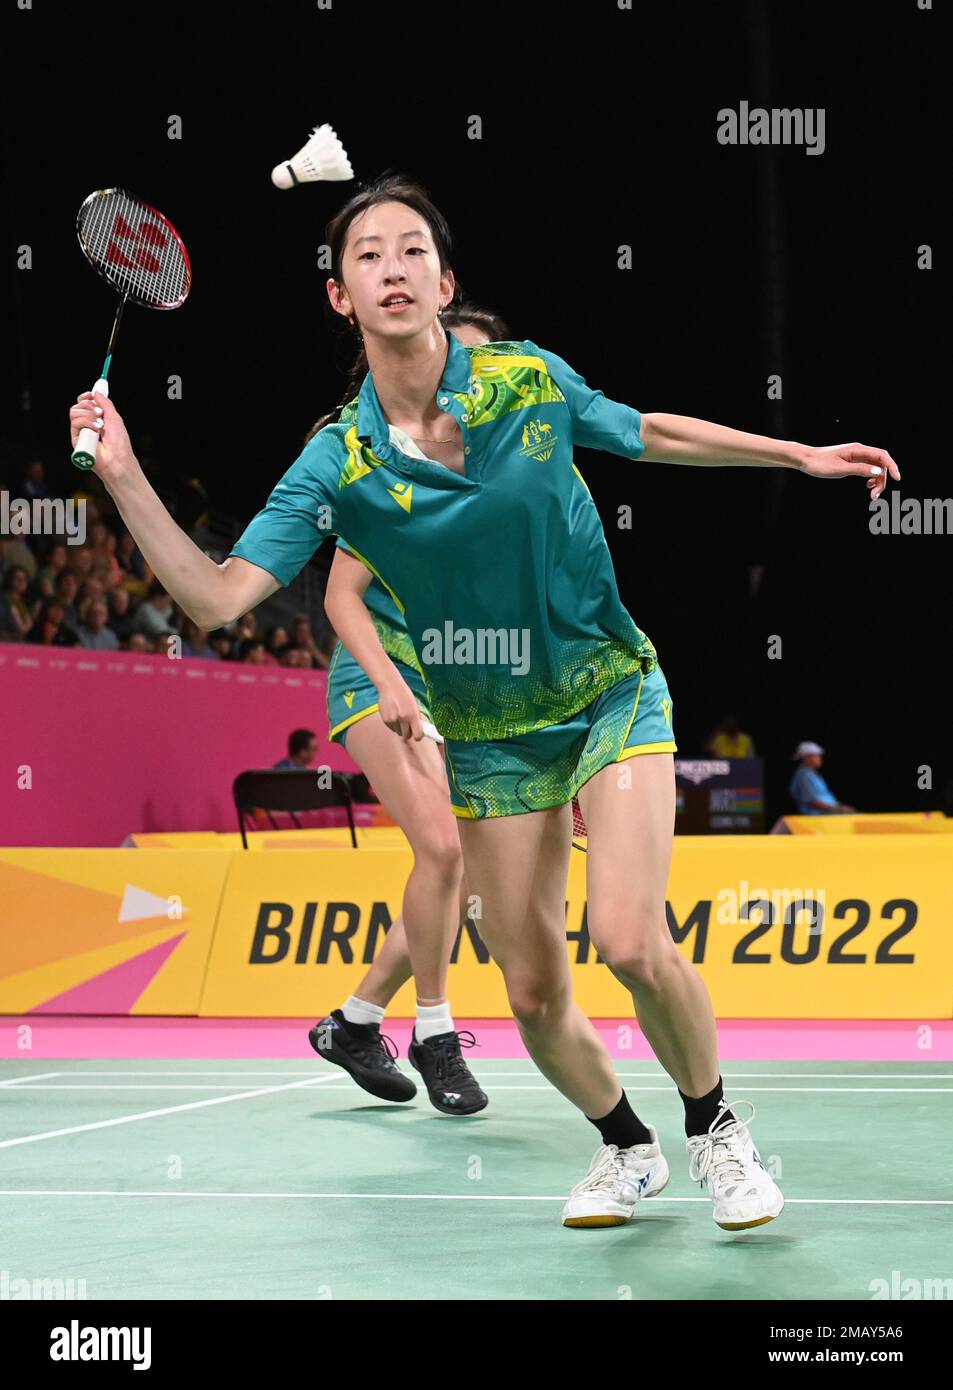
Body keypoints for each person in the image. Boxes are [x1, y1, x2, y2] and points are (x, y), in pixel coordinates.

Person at [68, 174, 898, 1232]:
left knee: (631, 939)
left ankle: (715, 1129)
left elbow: (643, 431)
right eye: (367, 255)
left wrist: (795, 455)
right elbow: (219, 595)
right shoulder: (341, 460)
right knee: (534, 997)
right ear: (341, 298)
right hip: (491, 741)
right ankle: (626, 1148)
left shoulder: (524, 381)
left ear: (445, 281)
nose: (392, 268)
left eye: (412, 250)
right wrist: (128, 474)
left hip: (605, 689)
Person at [304, 301, 508, 1117]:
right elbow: (341, 592)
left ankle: (353, 1023)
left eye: (480, 365)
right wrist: (390, 682)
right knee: (445, 849)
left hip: (450, 690)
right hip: (373, 677)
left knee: (455, 873)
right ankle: (432, 1032)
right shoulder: (390, 460)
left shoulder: (497, 475)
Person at [788, 741, 855, 815]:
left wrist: (838, 807)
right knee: (853, 816)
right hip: (819, 814)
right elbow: (812, 801)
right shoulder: (803, 776)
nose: (820, 758)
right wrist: (836, 808)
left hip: (829, 810)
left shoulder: (812, 774)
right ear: (806, 757)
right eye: (816, 756)